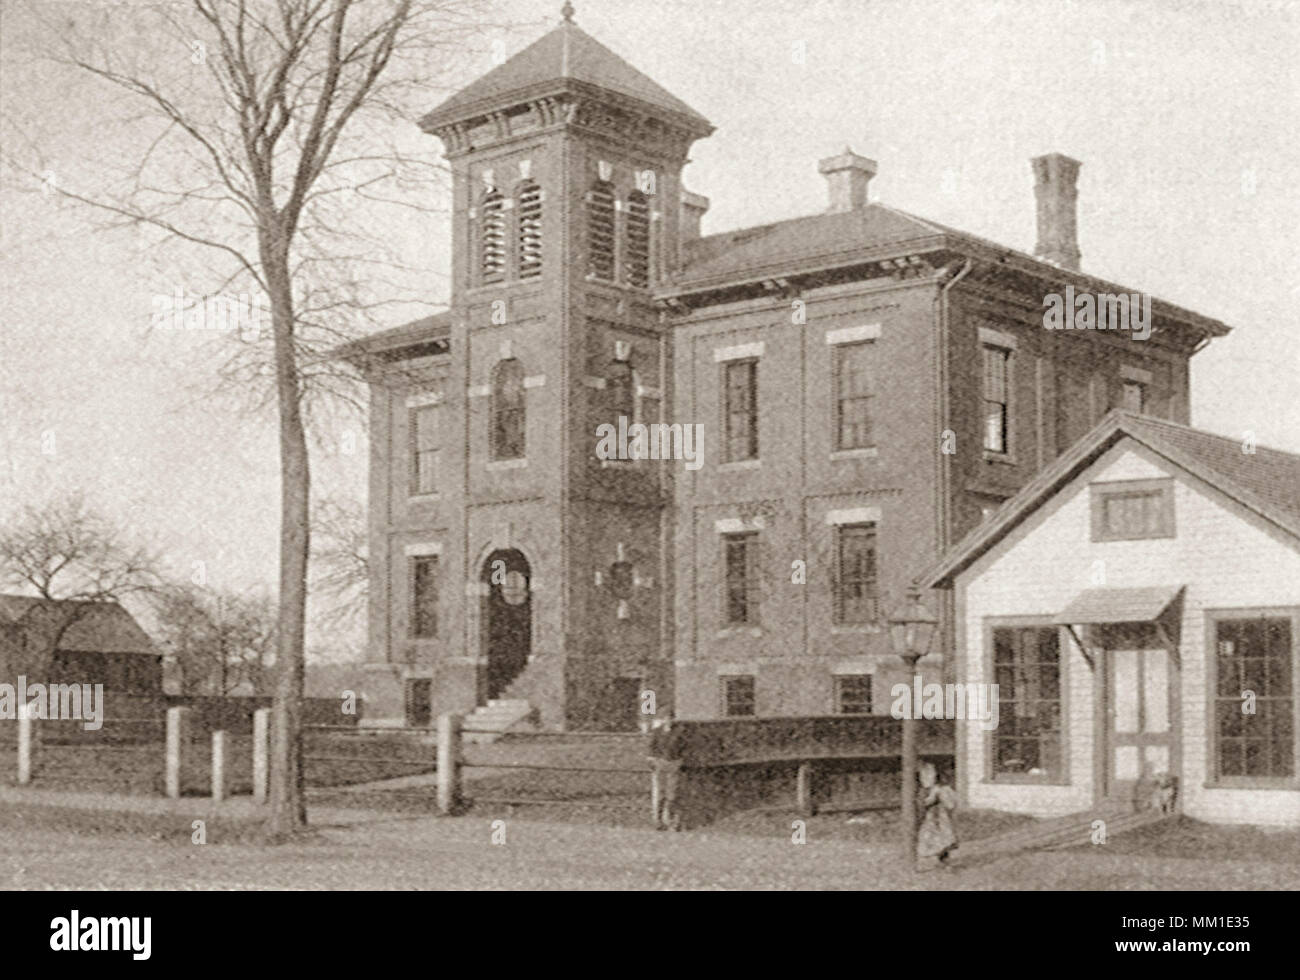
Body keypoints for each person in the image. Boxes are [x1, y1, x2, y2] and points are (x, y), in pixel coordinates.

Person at [916, 761, 958, 871]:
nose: (926, 778)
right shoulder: (923, 791)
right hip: (928, 820)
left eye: (929, 775)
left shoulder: (942, 789)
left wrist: (938, 794)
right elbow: (923, 803)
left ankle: (947, 864)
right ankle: (924, 863)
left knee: (944, 841)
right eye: (923, 776)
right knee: (928, 840)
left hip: (941, 819)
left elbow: (951, 804)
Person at [647, 712, 684, 831]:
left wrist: (679, 761)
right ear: (662, 719)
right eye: (666, 718)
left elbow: (683, 747)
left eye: (670, 718)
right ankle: (658, 821)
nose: (668, 721)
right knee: (660, 794)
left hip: (673, 764)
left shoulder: (679, 732)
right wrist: (653, 760)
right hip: (661, 764)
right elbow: (652, 747)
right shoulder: (657, 732)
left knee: (672, 794)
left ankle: (672, 821)